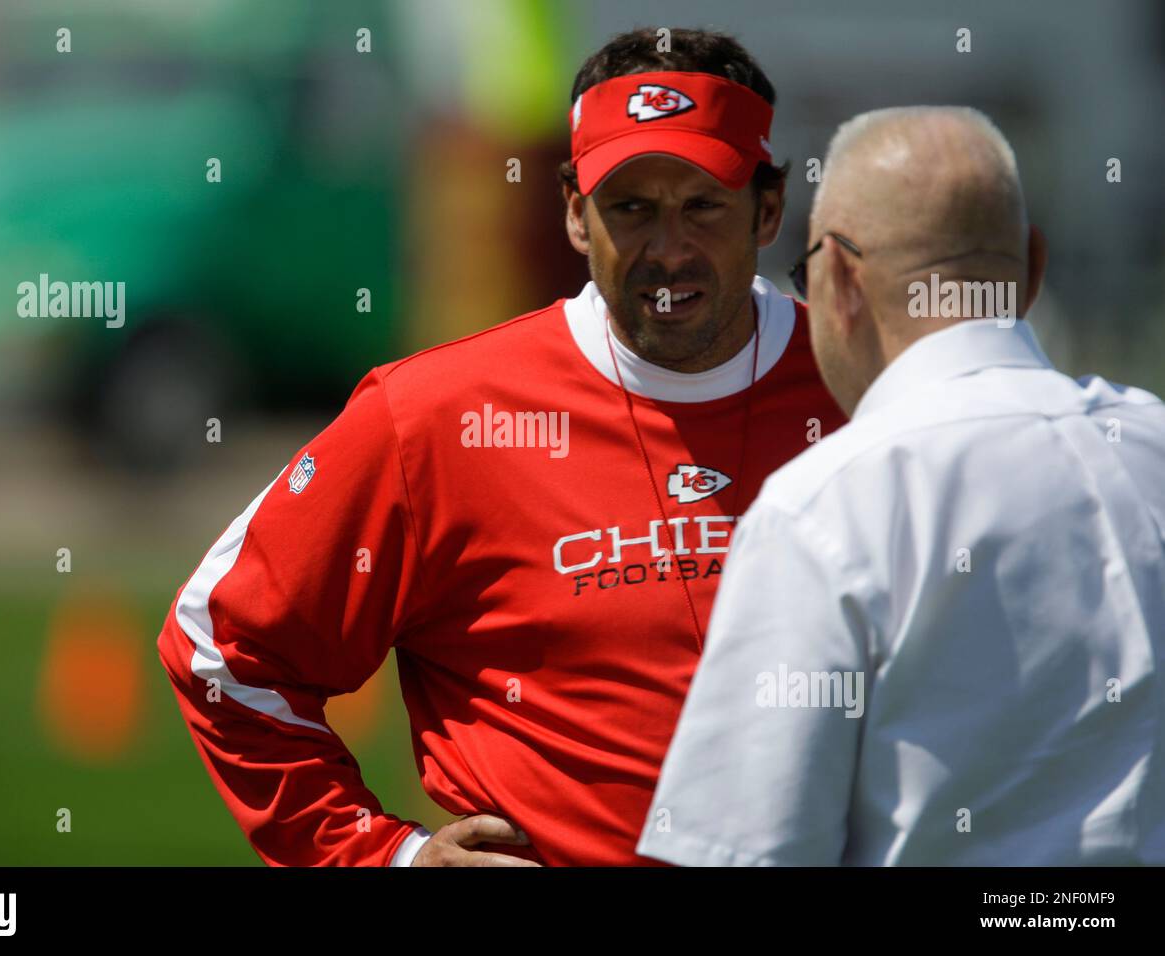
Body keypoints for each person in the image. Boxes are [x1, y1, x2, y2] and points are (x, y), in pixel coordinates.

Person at [156, 27, 845, 867]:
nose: (668, 248)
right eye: (631, 207)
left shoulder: (867, 390)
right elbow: (219, 646)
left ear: (767, 209)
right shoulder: (434, 416)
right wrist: (384, 856)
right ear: (573, 214)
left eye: (702, 204)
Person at [638, 106, 1165, 866]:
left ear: (841, 280)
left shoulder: (824, 509)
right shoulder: (1149, 444)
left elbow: (743, 854)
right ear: (1033, 269)